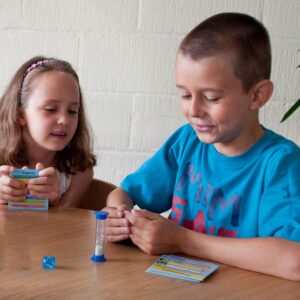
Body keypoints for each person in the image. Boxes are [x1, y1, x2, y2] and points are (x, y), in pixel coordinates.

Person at [103, 12, 300, 281]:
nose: (193, 110)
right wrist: (118, 217)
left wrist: (183, 241)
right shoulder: (187, 141)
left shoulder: (280, 163)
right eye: (185, 94)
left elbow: (293, 261)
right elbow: (124, 193)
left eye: (211, 97)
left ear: (257, 95)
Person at [0, 56, 96, 207]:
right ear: (20, 115)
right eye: (51, 109)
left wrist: (54, 202)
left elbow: (64, 226)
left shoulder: (79, 170)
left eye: (72, 111)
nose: (64, 120)